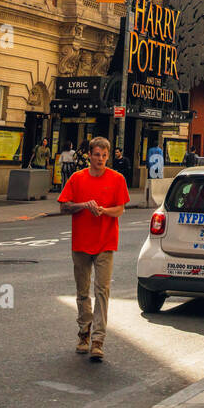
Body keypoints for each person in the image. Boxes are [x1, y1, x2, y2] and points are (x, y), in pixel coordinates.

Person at [58, 135, 130, 362]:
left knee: (102, 291)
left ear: (108, 156)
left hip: (105, 243)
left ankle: (98, 339)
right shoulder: (77, 179)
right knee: (82, 291)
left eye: (104, 155)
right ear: (90, 155)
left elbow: (120, 209)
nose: (100, 159)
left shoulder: (117, 179)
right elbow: (64, 206)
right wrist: (83, 206)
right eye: (97, 155)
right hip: (81, 243)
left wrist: (104, 211)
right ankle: (84, 331)